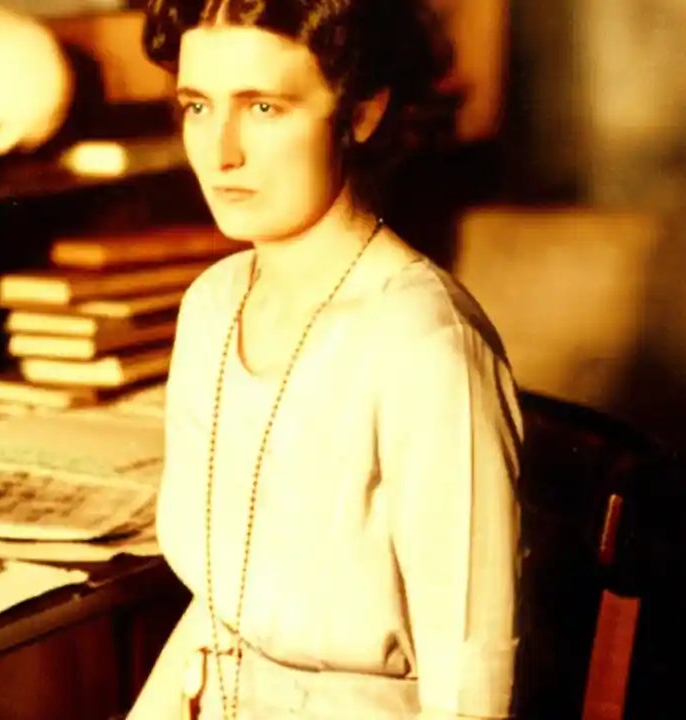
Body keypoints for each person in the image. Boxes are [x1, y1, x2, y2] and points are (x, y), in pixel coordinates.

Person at [127, 1, 523, 718]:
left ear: (362, 112)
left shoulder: (423, 343)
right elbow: (217, 616)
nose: (221, 152)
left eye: (264, 108)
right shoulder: (211, 307)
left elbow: (471, 690)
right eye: (197, 106)